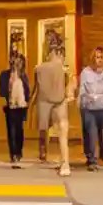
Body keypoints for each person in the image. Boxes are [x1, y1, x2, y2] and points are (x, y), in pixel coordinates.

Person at [32, 40, 75, 177]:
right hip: (59, 101)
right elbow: (69, 89)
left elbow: (36, 89)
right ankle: (65, 163)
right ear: (58, 53)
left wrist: (30, 103)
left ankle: (43, 153)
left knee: (44, 129)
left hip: (44, 101)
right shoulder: (64, 70)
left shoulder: (39, 69)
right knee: (62, 132)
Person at [78, 47, 103, 171]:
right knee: (91, 133)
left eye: (101, 57)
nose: (99, 60)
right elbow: (82, 90)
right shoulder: (85, 73)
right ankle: (92, 160)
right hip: (89, 108)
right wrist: (82, 101)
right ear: (92, 59)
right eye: (97, 57)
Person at [0, 53, 30, 168]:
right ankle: (13, 154)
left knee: (19, 130)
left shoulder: (23, 76)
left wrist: (27, 103)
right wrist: (10, 85)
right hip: (10, 106)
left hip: (21, 107)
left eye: (20, 62)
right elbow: (1, 91)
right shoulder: (5, 75)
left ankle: (19, 151)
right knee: (11, 130)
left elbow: (27, 91)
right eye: (15, 62)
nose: (17, 64)